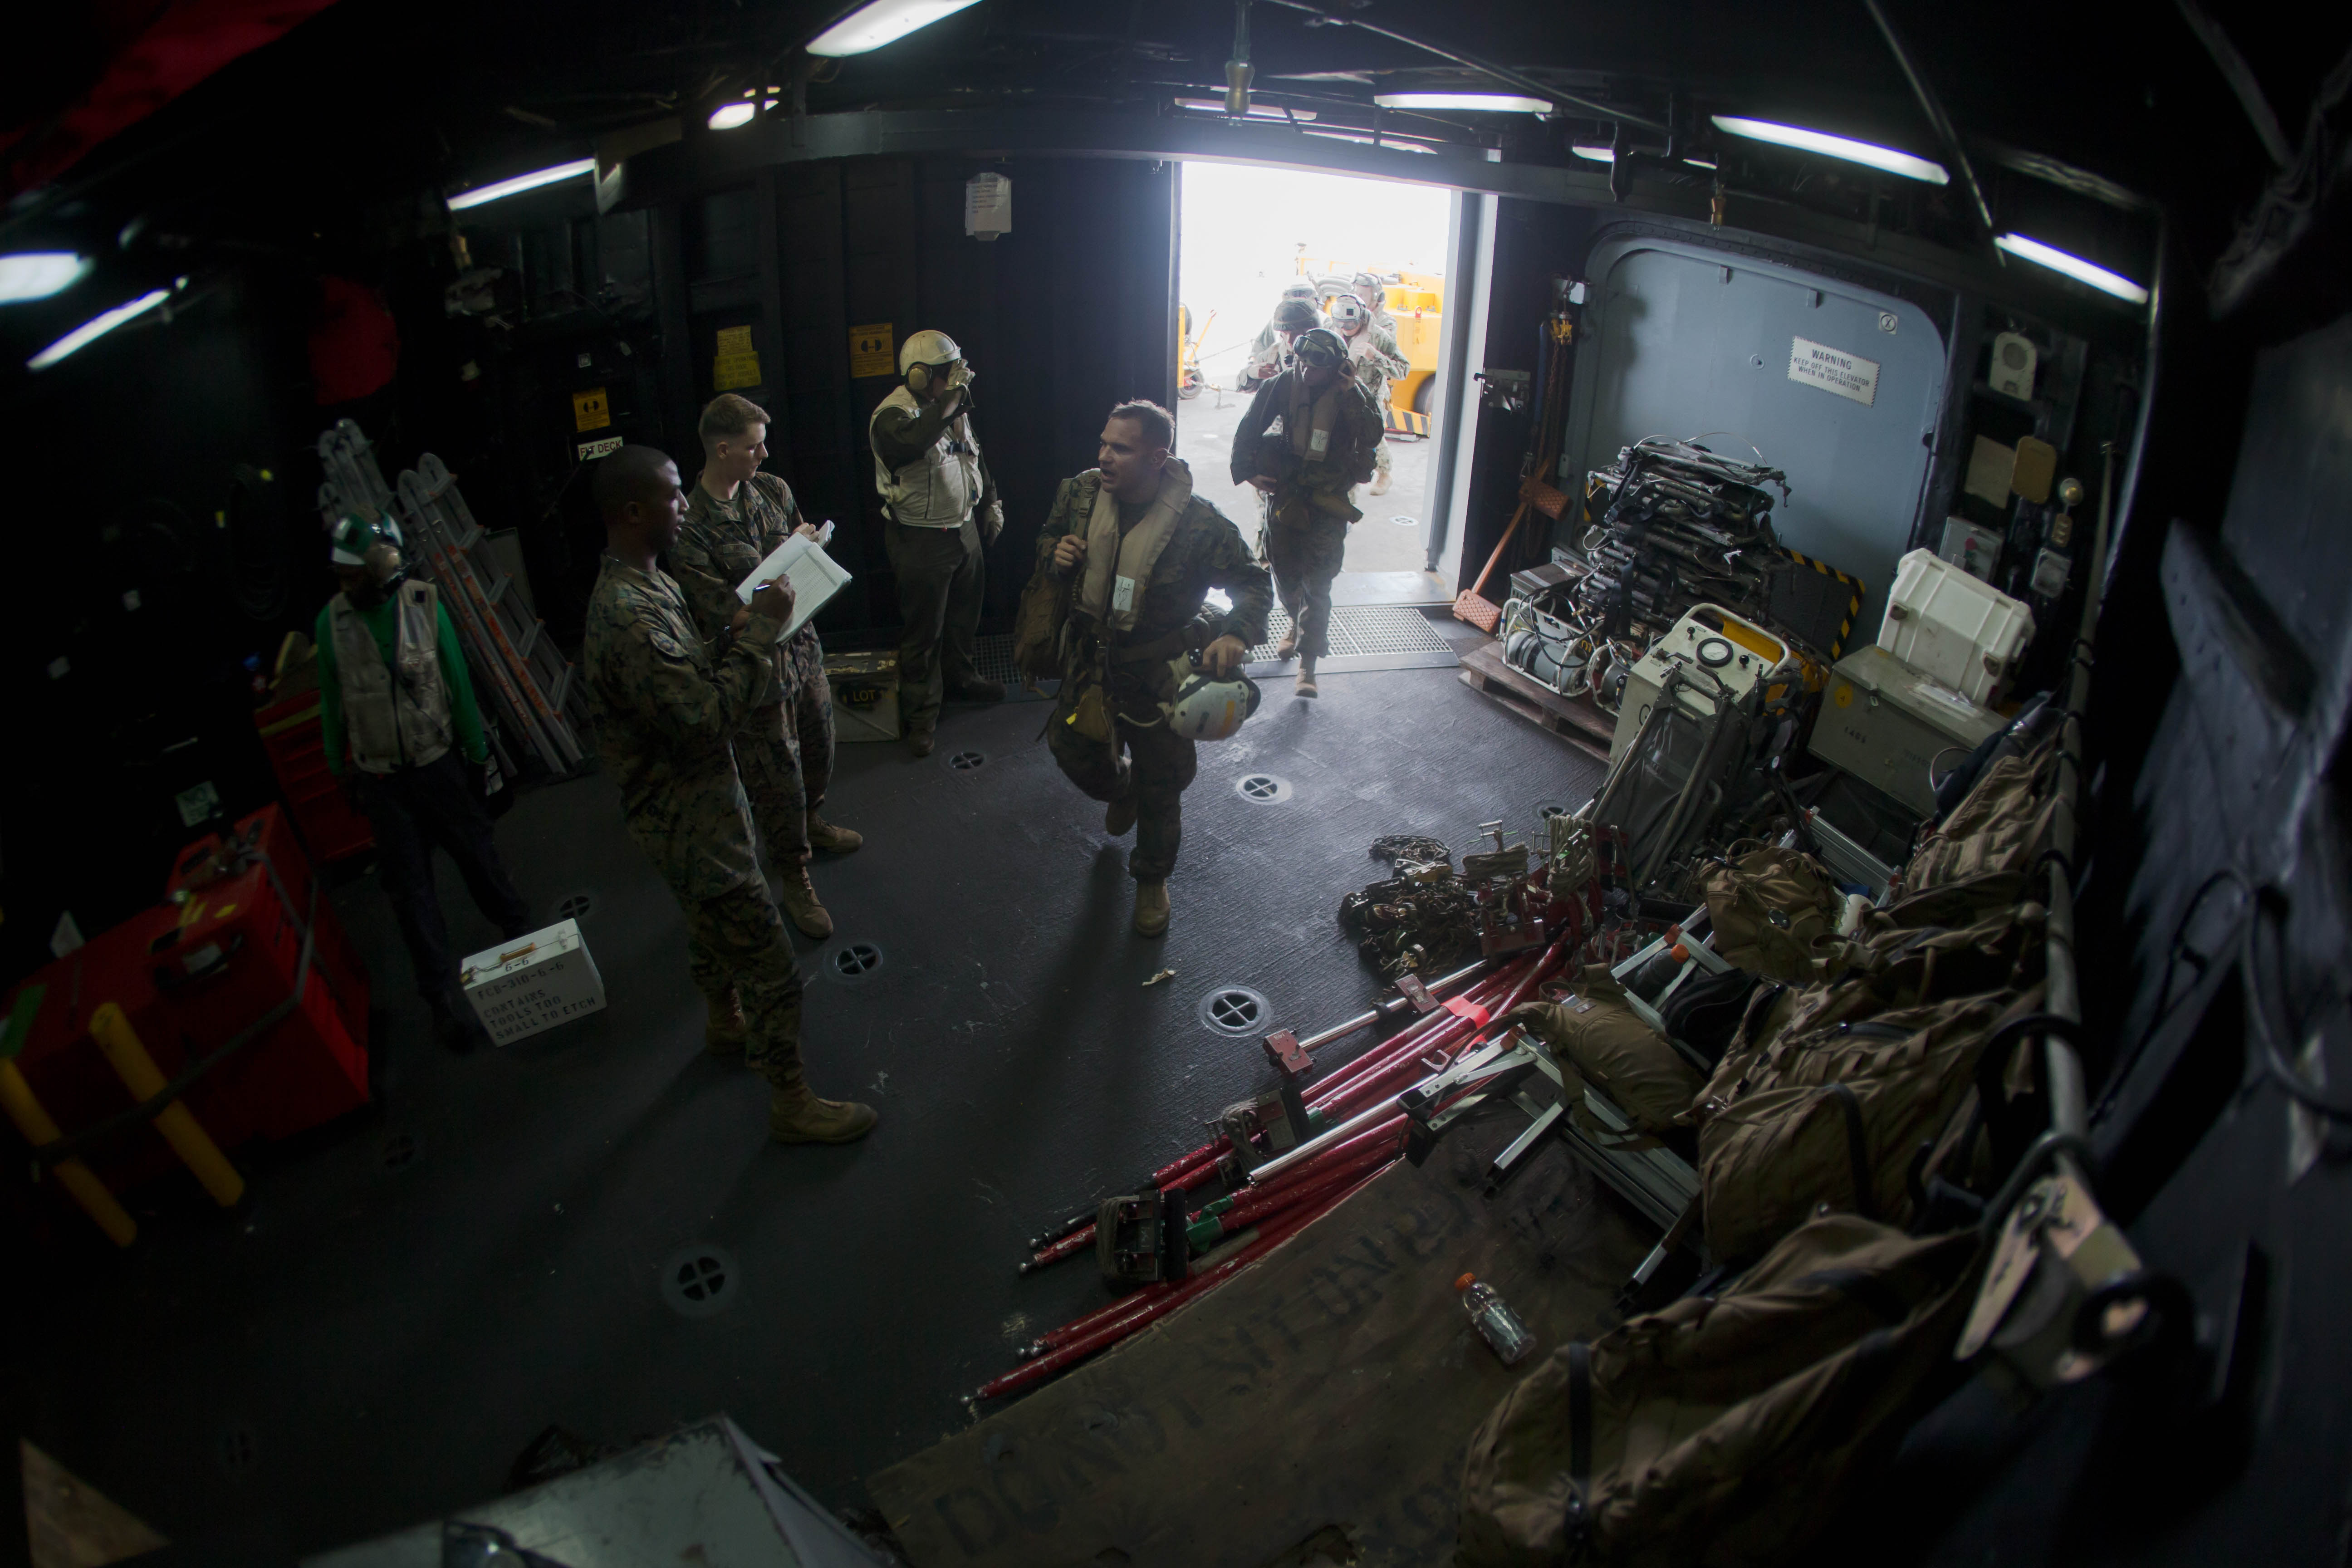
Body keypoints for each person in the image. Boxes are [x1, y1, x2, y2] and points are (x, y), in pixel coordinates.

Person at [581, 445, 876, 1145]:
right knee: (771, 970)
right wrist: (765, 633)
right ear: (633, 511)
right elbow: (702, 717)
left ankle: (721, 1022)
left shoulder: (645, 583)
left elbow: (683, 674)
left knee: (709, 930)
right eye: (673, 496)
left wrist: (729, 635)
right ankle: (792, 1101)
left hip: (699, 806)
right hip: (691, 821)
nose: (683, 506)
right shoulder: (628, 614)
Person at [1038, 401, 1271, 936]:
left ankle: (1150, 879)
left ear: (1158, 457)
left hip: (1158, 673)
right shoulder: (1079, 495)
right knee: (1072, 750)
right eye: (1103, 444)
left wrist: (1237, 633)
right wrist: (1057, 553)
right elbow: (1045, 537)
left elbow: (1254, 582)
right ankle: (1124, 789)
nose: (1104, 457)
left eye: (1120, 448)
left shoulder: (1199, 525)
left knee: (1163, 782)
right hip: (1091, 663)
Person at [315, 510, 531, 1051]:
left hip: (437, 765)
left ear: (381, 567)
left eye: (351, 575)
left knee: (480, 861)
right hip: (381, 781)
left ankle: (524, 942)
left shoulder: (420, 604)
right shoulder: (331, 623)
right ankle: (440, 1002)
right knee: (411, 897)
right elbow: (330, 699)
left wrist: (478, 755)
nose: (343, 587)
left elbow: (456, 682)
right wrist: (338, 766)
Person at [669, 393, 861, 941]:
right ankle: (794, 873)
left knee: (821, 749)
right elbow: (726, 611)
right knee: (776, 780)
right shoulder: (690, 527)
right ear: (723, 449)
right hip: (757, 674)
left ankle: (814, 822)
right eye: (754, 446)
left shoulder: (772, 489)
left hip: (804, 651)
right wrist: (776, 566)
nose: (764, 453)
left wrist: (807, 544)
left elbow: (801, 545)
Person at [869, 328, 1004, 758]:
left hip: (962, 529)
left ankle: (962, 680)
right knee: (923, 632)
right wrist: (952, 402)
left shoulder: (951, 406)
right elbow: (914, 442)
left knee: (964, 617)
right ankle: (922, 716)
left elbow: (972, 454)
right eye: (949, 376)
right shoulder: (892, 417)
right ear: (920, 377)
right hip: (921, 540)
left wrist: (991, 503)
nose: (957, 383)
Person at [1229, 326, 1383, 699]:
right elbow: (1249, 429)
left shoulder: (1353, 394)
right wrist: (1247, 472)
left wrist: (1351, 394)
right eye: (1299, 361)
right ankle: (1295, 623)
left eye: (1314, 366)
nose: (1305, 371)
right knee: (1283, 570)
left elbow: (1373, 434)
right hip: (1285, 496)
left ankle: (1308, 663)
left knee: (1320, 582)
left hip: (1327, 501)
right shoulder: (1281, 386)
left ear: (1337, 367)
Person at [1328, 293, 1410, 498]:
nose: (1344, 329)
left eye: (1350, 324)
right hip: (1337, 402)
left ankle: (1382, 474)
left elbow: (1403, 370)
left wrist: (1376, 357)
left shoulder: (1378, 336)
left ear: (1362, 318)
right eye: (1341, 324)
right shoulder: (1332, 331)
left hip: (1368, 402)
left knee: (1367, 442)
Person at [1237, 282, 1324, 392]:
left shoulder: (1330, 358)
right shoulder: (1274, 353)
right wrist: (1251, 374)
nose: (1290, 341)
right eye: (1285, 333)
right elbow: (1240, 384)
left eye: (1296, 334)